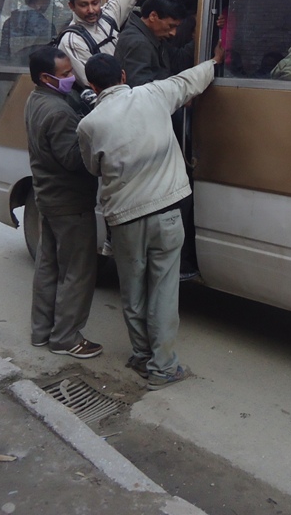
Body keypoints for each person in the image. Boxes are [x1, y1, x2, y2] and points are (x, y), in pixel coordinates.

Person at [77, 45, 223, 389]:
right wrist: (215, 60)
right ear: (123, 77)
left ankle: (141, 356)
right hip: (167, 213)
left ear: (93, 87)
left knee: (133, 291)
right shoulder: (154, 93)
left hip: (125, 219)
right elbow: (192, 80)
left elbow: (92, 167)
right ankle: (164, 367)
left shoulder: (89, 124)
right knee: (163, 292)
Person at [115, 0, 199, 280]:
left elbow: (171, 63)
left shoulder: (150, 36)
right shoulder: (136, 42)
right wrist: (178, 92)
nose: (173, 32)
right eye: (171, 26)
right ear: (153, 16)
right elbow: (143, 88)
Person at [24, 46, 102, 359]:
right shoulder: (57, 112)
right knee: (77, 272)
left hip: (48, 197)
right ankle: (67, 337)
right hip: (70, 202)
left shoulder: (36, 99)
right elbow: (74, 159)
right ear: (46, 77)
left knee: (48, 267)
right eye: (66, 74)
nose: (72, 78)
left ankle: (42, 331)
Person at [57, 0, 151, 87]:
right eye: (83, 5)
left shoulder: (107, 16)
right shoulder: (72, 42)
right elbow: (93, 83)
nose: (91, 10)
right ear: (71, 6)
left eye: (95, 3)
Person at [0, 0, 55, 65]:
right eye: (48, 0)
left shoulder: (9, 22)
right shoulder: (45, 25)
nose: (48, 5)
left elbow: (3, 55)